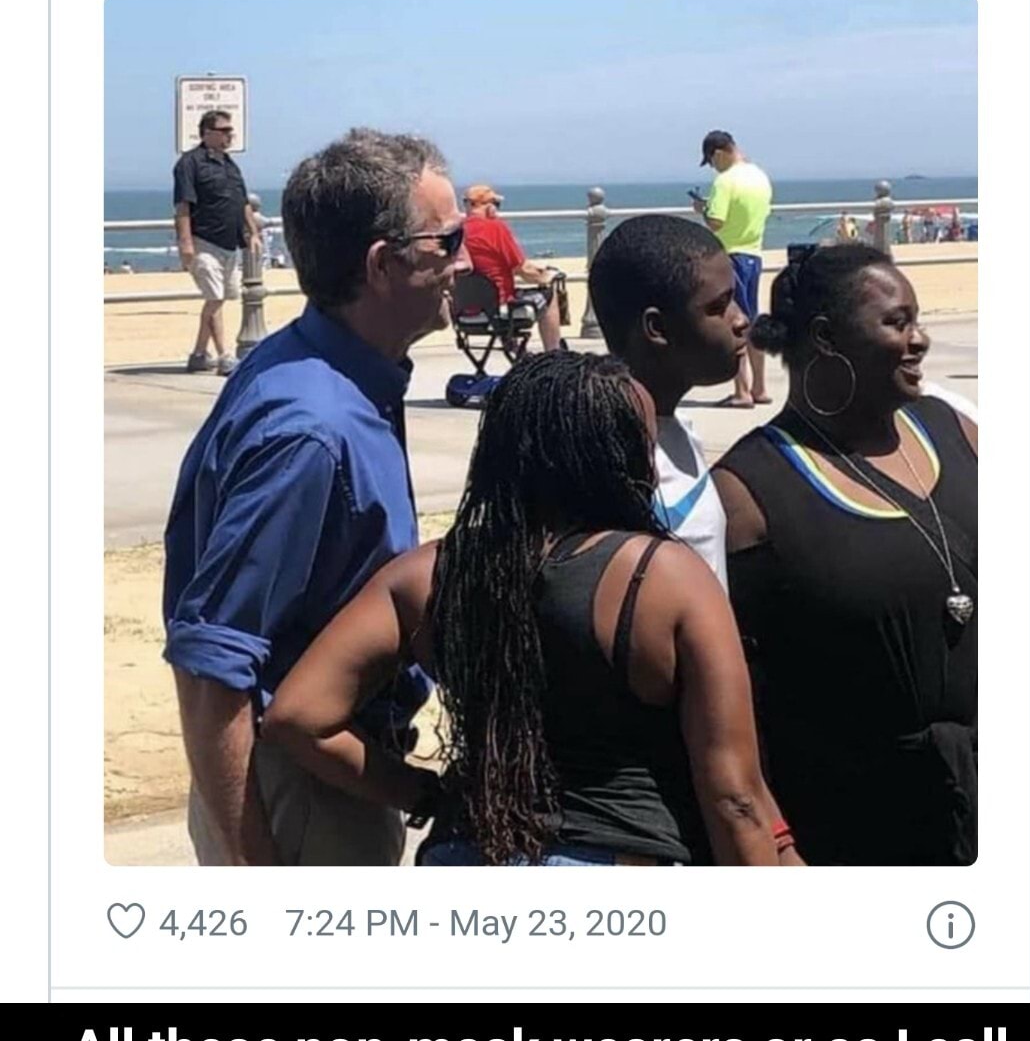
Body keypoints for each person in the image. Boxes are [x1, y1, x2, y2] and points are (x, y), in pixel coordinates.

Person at [265, 351, 786, 868]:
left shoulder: (426, 574)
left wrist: (424, 794)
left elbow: (298, 716)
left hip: (463, 855)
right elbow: (736, 798)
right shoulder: (666, 577)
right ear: (619, 454)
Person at [163, 129, 469, 865]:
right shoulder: (311, 430)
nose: (463, 258)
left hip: (326, 776)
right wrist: (255, 866)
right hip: (300, 802)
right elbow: (212, 664)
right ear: (381, 264)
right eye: (447, 240)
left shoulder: (329, 367)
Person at [712, 242, 977, 866]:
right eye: (897, 322)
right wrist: (775, 844)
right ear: (827, 337)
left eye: (917, 320)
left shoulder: (955, 430)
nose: (920, 340)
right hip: (854, 824)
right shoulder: (749, 491)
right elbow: (729, 696)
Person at [587, 214, 749, 587]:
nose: (741, 320)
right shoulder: (613, 461)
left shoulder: (677, 431)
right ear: (656, 328)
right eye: (718, 307)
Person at [173, 110, 261, 376]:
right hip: (204, 241)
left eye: (230, 131)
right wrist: (186, 243)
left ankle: (199, 354)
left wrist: (253, 232)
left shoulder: (230, 165)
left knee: (222, 298)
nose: (229, 136)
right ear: (207, 132)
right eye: (224, 131)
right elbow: (183, 205)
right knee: (215, 297)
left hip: (229, 243)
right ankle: (224, 355)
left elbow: (242, 201)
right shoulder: (189, 164)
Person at [692, 131, 773, 408]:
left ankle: (742, 391)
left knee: (734, 324)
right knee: (752, 319)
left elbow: (716, 221)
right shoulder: (760, 176)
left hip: (730, 256)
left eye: (711, 161)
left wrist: (701, 209)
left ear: (718, 153)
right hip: (754, 253)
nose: (713, 167)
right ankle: (760, 387)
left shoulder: (724, 181)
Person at [461, 185, 564, 351]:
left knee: (498, 293)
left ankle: (514, 348)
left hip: (465, 311)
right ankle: (554, 353)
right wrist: (547, 275)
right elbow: (523, 270)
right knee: (549, 295)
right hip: (498, 310)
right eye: (497, 205)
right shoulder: (495, 228)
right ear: (489, 206)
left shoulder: (457, 231)